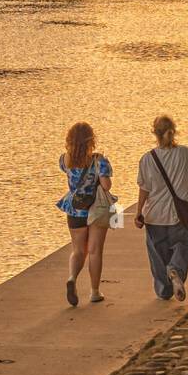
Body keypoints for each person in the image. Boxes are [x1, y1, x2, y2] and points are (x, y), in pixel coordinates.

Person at [135, 114, 188, 302]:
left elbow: (144, 189)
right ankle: (176, 269)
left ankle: (164, 290)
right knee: (185, 246)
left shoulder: (147, 159)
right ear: (174, 132)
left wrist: (138, 212)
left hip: (154, 216)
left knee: (158, 256)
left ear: (154, 133)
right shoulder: (184, 153)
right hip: (180, 215)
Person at [56, 122, 113, 307]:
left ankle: (72, 277)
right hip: (95, 209)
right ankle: (95, 292)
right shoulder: (99, 160)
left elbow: (69, 174)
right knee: (95, 251)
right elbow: (106, 186)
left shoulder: (65, 159)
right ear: (92, 140)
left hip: (74, 209)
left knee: (78, 250)